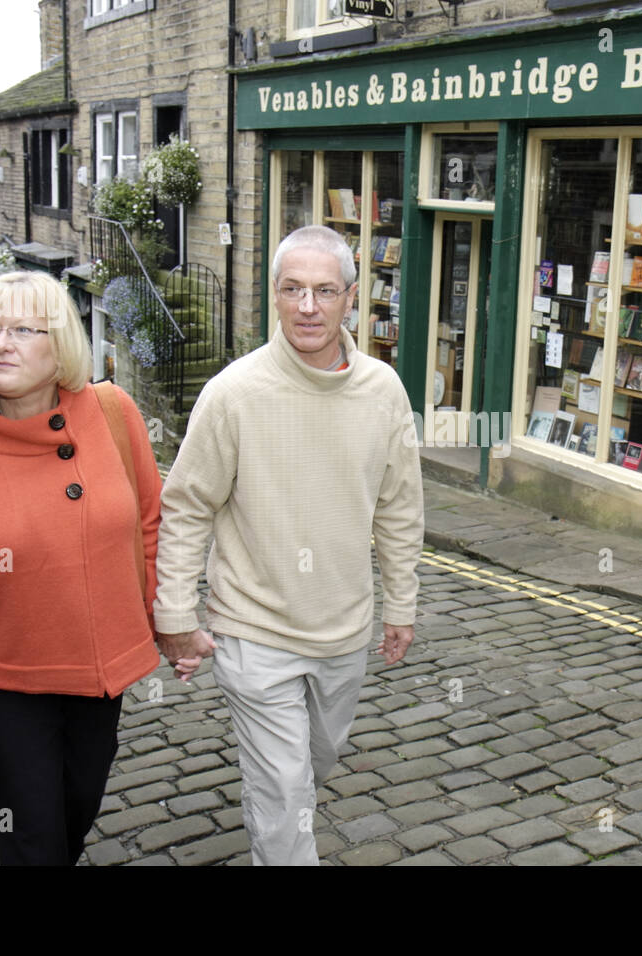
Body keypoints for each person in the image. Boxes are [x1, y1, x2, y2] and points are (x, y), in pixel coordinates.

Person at [154, 225, 424, 866]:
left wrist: (402, 605)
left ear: (351, 298)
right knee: (285, 784)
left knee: (314, 765)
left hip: (343, 630)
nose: (308, 307)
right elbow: (188, 505)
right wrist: (174, 614)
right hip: (254, 628)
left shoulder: (383, 391)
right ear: (273, 297)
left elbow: (399, 508)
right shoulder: (234, 394)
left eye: (324, 291)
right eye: (293, 290)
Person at [0, 271, 163, 866]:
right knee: (32, 840)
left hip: (98, 679)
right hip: (9, 685)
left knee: (75, 813)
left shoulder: (113, 413)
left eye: (23, 329)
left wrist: (157, 621)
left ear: (63, 343)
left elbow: (150, 524)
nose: (1, 343)